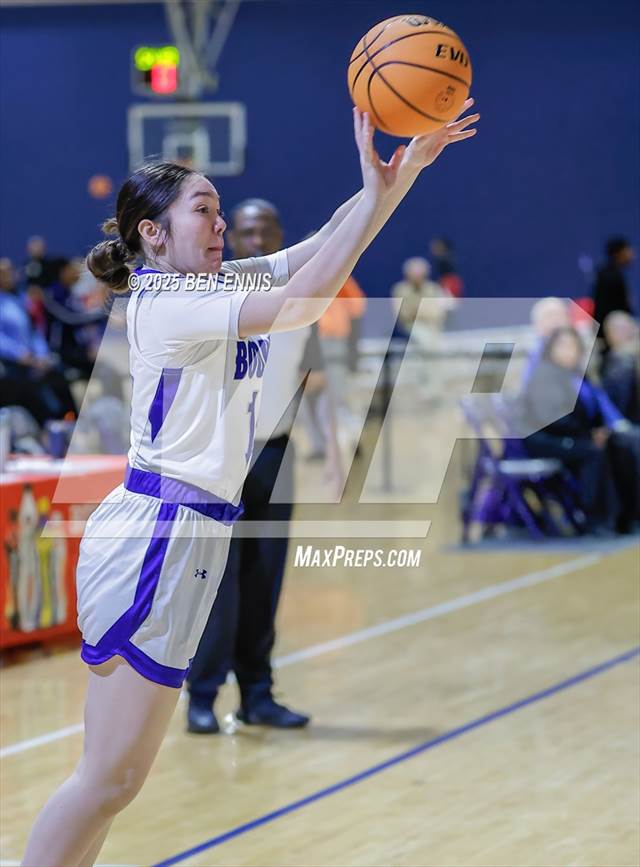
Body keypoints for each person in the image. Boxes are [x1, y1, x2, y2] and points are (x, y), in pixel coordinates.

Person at [21, 102, 479, 866]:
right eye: (204, 209)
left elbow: (324, 246)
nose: (222, 222)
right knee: (108, 778)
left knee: (115, 778)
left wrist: (395, 180)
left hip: (180, 531)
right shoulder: (171, 302)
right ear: (152, 233)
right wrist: (378, 192)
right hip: (158, 536)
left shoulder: (208, 280)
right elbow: (306, 297)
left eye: (221, 208)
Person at [186, 198, 343, 734]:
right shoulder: (220, 295)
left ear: (279, 234)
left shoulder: (303, 304)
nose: (254, 239)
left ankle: (258, 694)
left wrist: (336, 452)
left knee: (265, 579)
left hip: (274, 452)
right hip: (216, 458)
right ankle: (201, 697)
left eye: (264, 230)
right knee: (215, 582)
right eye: (245, 231)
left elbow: (315, 382)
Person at [521, 326, 638, 534]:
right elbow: (552, 419)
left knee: (621, 444)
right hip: (545, 439)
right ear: (551, 350)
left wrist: (602, 430)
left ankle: (628, 515)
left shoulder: (576, 376)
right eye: (563, 346)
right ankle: (597, 518)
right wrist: (588, 435)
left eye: (573, 346)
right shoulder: (545, 375)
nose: (569, 351)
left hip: (573, 434)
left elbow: (592, 411)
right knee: (593, 452)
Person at [0, 258, 77, 426]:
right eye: (2, 273)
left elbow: (34, 331)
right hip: (12, 364)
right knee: (30, 390)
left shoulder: (21, 299)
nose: (7, 277)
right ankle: (46, 427)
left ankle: (70, 424)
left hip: (33, 362)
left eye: (9, 272)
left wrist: (42, 355)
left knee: (58, 376)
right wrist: (20, 354)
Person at [592, 237, 636, 353]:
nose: (632, 254)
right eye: (628, 250)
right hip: (608, 338)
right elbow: (604, 309)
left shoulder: (609, 273)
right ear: (619, 253)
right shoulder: (611, 277)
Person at [601, 311, 640, 423]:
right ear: (607, 334)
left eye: (625, 327)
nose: (623, 332)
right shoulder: (607, 358)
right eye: (616, 329)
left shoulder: (627, 358)